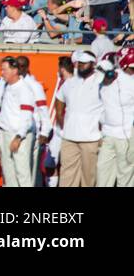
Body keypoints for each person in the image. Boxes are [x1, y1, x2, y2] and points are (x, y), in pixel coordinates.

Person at [55, 48, 104, 187]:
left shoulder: (101, 82)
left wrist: (101, 132)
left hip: (91, 139)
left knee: (89, 178)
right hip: (69, 138)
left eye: (85, 63)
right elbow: (59, 100)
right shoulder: (70, 82)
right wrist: (61, 122)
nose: (81, 65)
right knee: (67, 177)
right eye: (80, 63)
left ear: (93, 64)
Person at [0, 56, 37, 187]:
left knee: (22, 174)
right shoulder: (5, 87)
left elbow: (27, 116)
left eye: (4, 70)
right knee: (8, 174)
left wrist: (18, 137)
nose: (1, 73)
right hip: (5, 134)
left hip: (19, 136)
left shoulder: (24, 89)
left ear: (14, 70)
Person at [97, 49, 134, 187]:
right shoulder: (103, 79)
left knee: (125, 177)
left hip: (127, 136)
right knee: (102, 175)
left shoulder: (130, 82)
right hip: (107, 135)